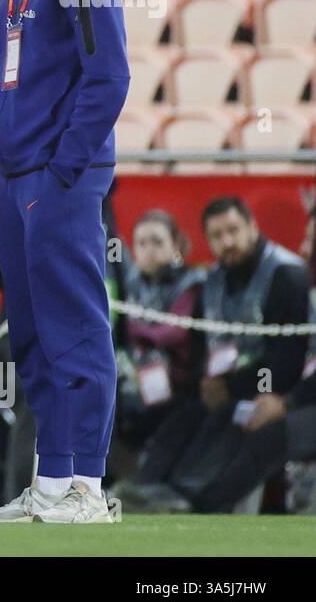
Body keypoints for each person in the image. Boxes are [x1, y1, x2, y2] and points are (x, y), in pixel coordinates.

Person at [0, 0, 130, 524]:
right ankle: (49, 484)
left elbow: (111, 74)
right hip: (19, 173)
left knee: (75, 329)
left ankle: (88, 491)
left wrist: (68, 166)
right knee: (33, 335)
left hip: (59, 173)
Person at [111, 197, 313, 512]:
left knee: (231, 414)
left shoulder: (286, 275)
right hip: (226, 384)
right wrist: (204, 384)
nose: (227, 242)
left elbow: (287, 357)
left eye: (233, 230)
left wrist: (238, 389)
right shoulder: (214, 279)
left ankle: (186, 496)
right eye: (217, 236)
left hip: (270, 386)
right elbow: (203, 347)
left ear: (253, 228)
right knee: (185, 411)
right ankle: (148, 485)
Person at [114, 211, 206, 450]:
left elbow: (173, 332)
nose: (149, 250)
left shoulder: (193, 281)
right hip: (135, 374)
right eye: (141, 243)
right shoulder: (132, 281)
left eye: (157, 242)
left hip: (180, 382)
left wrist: (138, 328)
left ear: (174, 245)